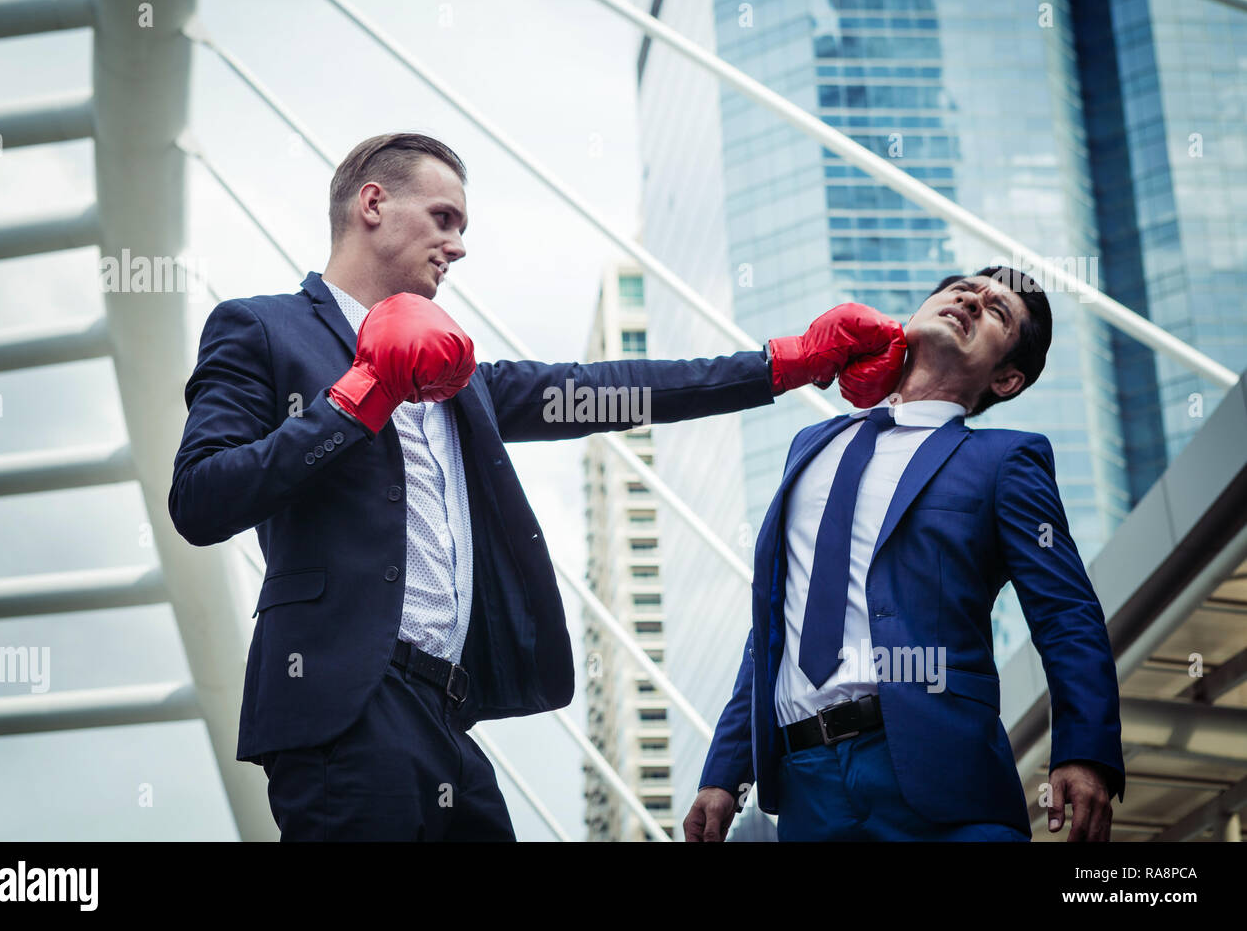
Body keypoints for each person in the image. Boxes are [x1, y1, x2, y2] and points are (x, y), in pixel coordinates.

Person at [167, 132, 908, 840]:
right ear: (372, 205)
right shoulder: (259, 330)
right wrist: (361, 395)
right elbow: (201, 499)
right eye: (443, 218)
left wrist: (792, 362)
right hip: (344, 710)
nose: (458, 244)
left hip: (449, 717)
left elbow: (613, 389)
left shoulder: (459, 380)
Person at [686, 266, 1125, 843]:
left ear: (1008, 380)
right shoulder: (810, 447)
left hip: (943, 783)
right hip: (805, 791)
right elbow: (774, 625)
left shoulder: (1005, 461)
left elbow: (1066, 612)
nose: (973, 299)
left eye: (998, 312)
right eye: (962, 289)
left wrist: (1086, 751)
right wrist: (724, 774)